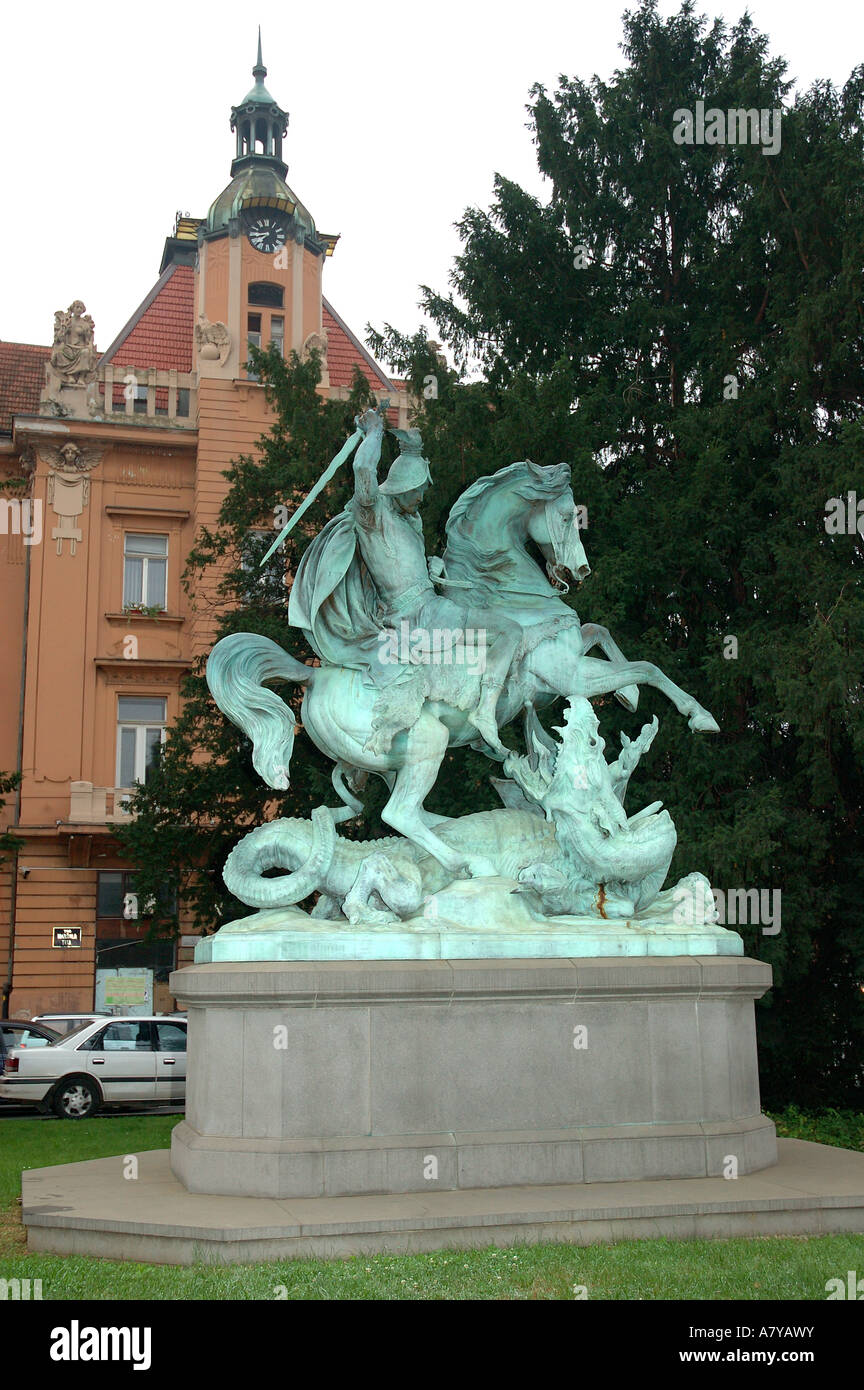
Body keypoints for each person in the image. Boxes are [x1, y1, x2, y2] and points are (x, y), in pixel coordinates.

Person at [289, 408, 522, 753]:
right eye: (419, 491)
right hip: (420, 617)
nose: (423, 498)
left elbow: (403, 566)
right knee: (510, 631)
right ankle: (486, 711)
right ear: (405, 486)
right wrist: (375, 433)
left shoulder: (410, 520)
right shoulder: (372, 514)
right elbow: (363, 469)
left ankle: (475, 711)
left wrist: (431, 568)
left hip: (429, 605)